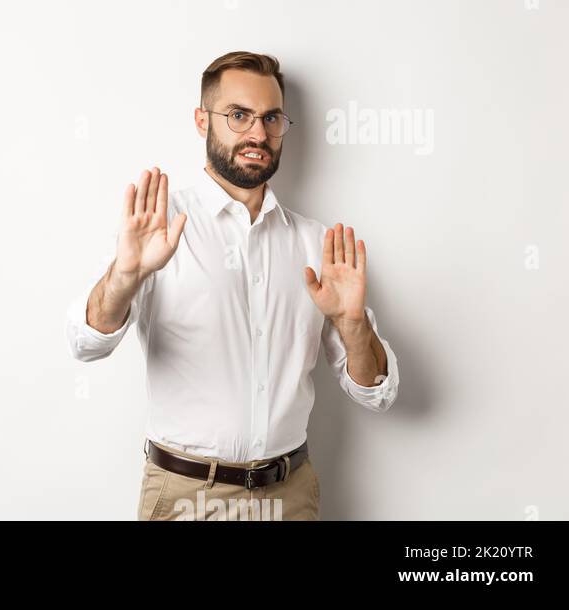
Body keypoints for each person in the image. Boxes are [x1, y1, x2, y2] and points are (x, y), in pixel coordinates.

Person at [65, 51, 400, 521]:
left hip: (291, 496)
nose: (258, 134)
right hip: (186, 496)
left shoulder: (315, 244)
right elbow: (86, 344)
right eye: (238, 116)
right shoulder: (158, 229)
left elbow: (375, 393)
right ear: (203, 121)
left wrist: (352, 324)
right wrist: (125, 276)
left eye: (271, 118)